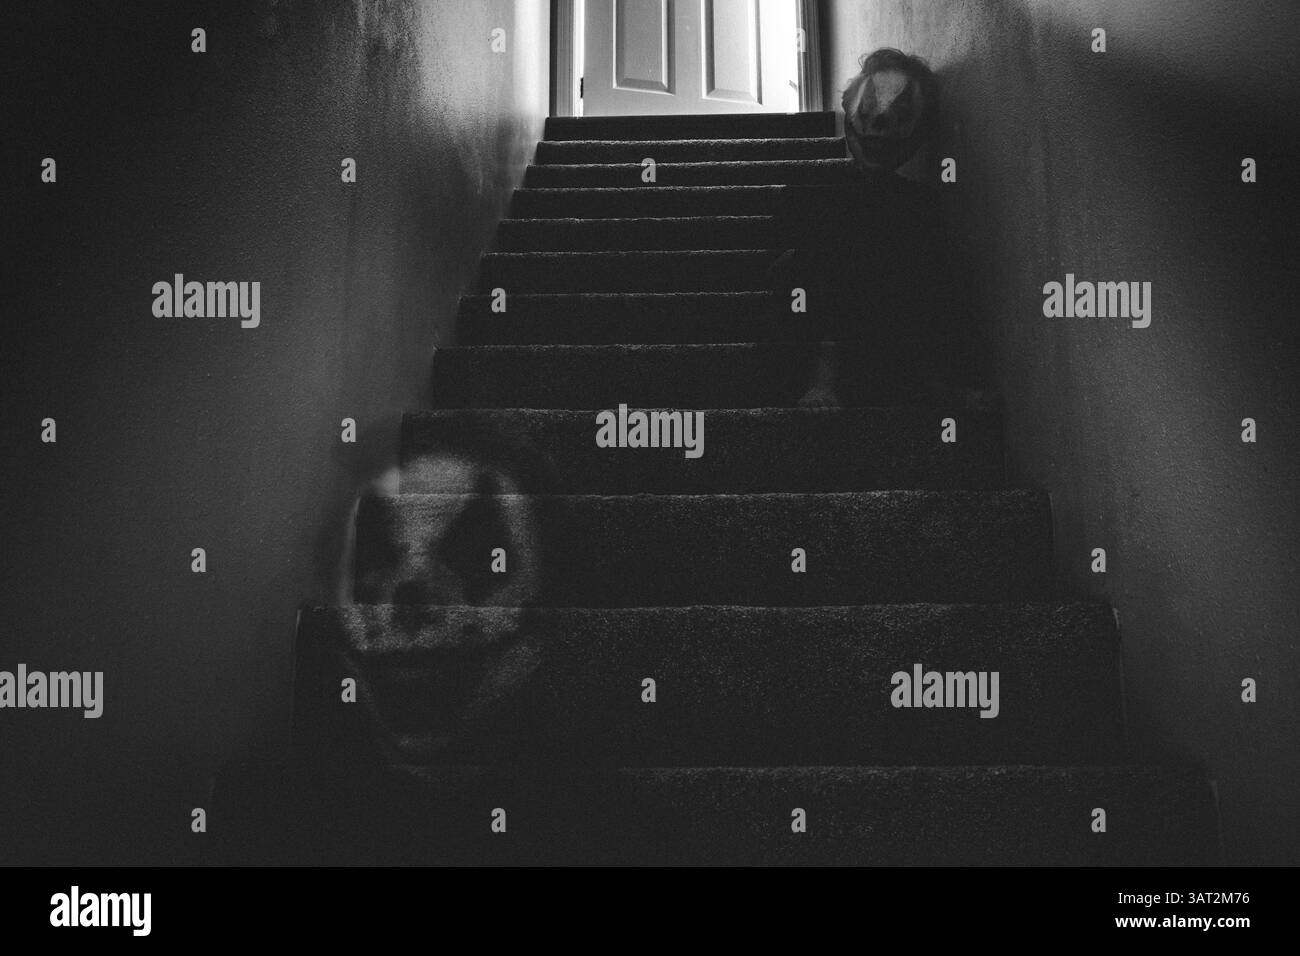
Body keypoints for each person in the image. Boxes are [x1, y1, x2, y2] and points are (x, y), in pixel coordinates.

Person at [775, 48, 980, 409]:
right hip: (816, 319)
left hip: (884, 329)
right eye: (867, 109)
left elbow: (933, 283)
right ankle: (823, 378)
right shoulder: (813, 190)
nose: (878, 127)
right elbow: (789, 266)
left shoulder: (919, 204)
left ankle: (934, 378)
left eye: (900, 115)